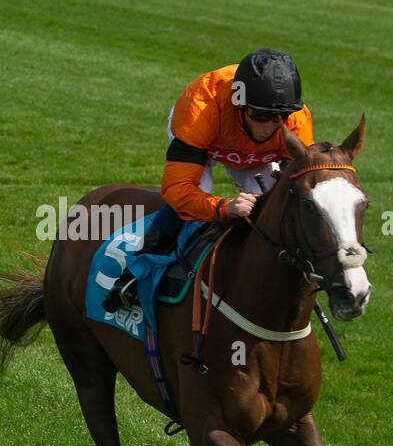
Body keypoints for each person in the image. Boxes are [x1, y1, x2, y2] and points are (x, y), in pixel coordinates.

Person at [102, 49, 314, 312]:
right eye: (259, 116)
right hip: (208, 140)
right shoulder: (201, 107)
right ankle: (131, 276)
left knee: (274, 209)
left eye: (278, 119)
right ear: (239, 103)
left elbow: (298, 185)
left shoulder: (296, 119)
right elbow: (178, 191)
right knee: (193, 204)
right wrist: (224, 208)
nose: (268, 127)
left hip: (255, 154)